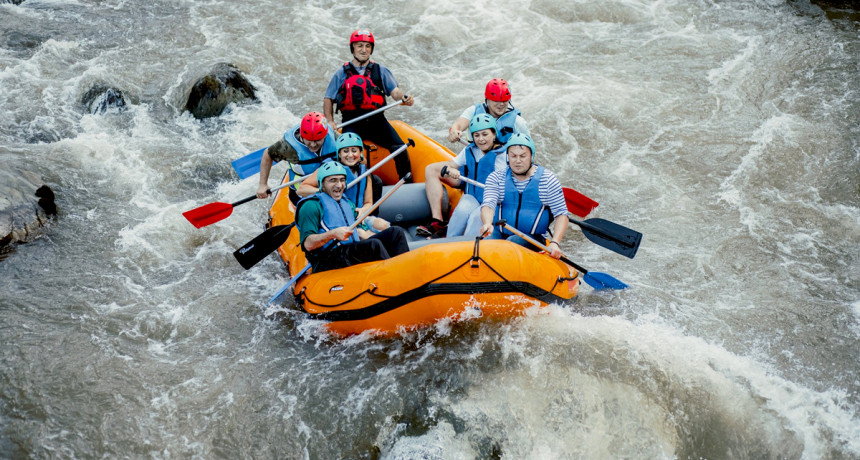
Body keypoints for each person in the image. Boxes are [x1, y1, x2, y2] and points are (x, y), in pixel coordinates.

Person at [323, 29, 415, 182]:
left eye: (367, 46)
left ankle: (407, 182)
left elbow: (395, 92)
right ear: (353, 48)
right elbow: (328, 98)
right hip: (352, 122)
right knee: (345, 154)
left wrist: (404, 97)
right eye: (359, 46)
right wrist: (330, 120)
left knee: (400, 148)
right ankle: (346, 184)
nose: (364, 50)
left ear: (371, 49)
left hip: (376, 121)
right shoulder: (342, 72)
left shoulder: (380, 71)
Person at [296, 162, 410, 273]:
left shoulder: (346, 202)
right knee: (373, 245)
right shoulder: (311, 206)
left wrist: (374, 223)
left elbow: (360, 223)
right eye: (333, 180)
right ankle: (395, 278)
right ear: (322, 183)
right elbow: (308, 244)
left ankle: (407, 273)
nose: (339, 185)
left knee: (395, 232)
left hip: (350, 249)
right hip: (326, 259)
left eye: (342, 180)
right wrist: (333, 234)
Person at [416, 113, 507, 238]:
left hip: (491, 203)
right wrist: (451, 170)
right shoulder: (470, 150)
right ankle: (449, 239)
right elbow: (452, 164)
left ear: (494, 134)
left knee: (476, 218)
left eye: (485, 134)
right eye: (477, 135)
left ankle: (468, 248)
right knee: (462, 209)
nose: (481, 139)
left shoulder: (502, 156)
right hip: (473, 196)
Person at [479, 133, 569, 259]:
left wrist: (555, 242)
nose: (518, 161)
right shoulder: (496, 178)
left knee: (512, 242)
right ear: (507, 157)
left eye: (523, 156)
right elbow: (488, 204)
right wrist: (487, 223)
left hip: (533, 239)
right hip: (500, 234)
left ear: (531, 156)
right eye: (513, 156)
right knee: (485, 246)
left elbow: (561, 215)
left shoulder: (547, 180)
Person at [297, 132, 389, 232]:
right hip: (336, 217)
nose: (350, 155)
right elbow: (301, 190)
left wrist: (363, 210)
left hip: (357, 215)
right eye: (345, 151)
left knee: (384, 226)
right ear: (339, 154)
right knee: (362, 233)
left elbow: (368, 202)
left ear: (360, 153)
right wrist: (324, 192)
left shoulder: (365, 173)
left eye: (354, 151)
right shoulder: (328, 168)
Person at [256, 111, 337, 204]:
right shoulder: (288, 147)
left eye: (317, 140)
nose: (313, 145)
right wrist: (263, 184)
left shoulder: (331, 135)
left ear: (325, 135)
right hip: (301, 193)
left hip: (330, 186)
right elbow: (268, 154)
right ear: (302, 136)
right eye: (309, 140)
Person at [447, 78, 529, 145]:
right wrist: (454, 132)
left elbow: (527, 147)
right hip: (474, 159)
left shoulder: (517, 121)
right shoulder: (474, 111)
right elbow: (458, 125)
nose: (501, 104)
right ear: (487, 99)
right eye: (496, 101)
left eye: (504, 101)